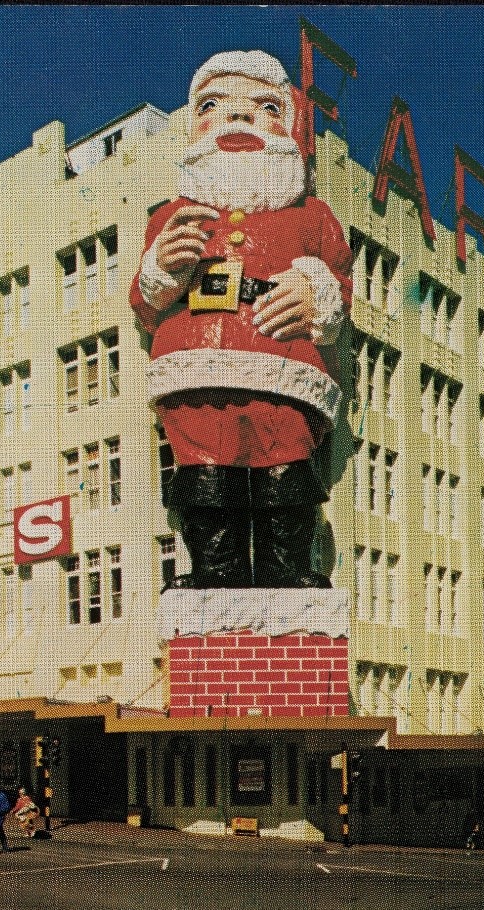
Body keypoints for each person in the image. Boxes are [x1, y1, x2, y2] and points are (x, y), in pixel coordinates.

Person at [130, 49, 353, 591]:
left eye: (264, 107)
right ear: (193, 127)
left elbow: (340, 282)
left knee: (286, 474)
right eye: (214, 104)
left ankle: (288, 572)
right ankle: (215, 573)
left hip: (282, 367)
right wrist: (161, 269)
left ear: (291, 127)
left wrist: (315, 294)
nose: (238, 117)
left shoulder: (312, 215)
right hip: (195, 370)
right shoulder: (170, 215)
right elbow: (143, 299)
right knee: (205, 473)